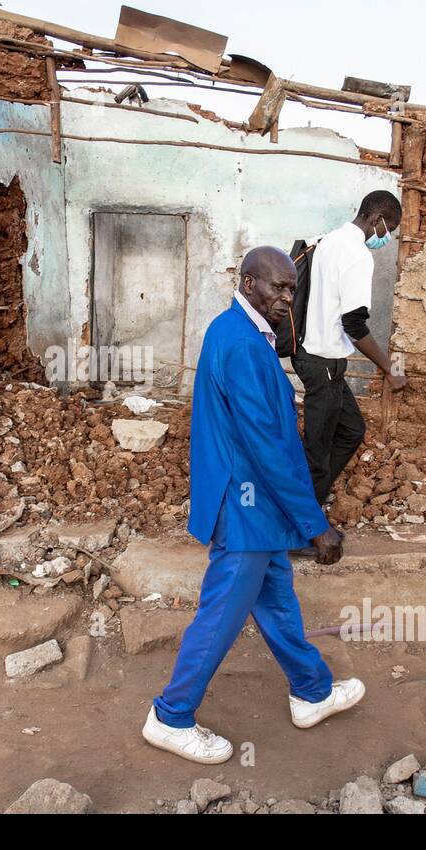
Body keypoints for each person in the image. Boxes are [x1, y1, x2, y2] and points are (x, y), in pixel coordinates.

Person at [142, 246, 364, 765]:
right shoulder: (242, 343)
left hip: (253, 505)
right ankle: (170, 716)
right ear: (248, 284)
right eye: (277, 288)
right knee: (221, 614)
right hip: (245, 508)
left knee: (278, 601)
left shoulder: (241, 333)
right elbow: (266, 444)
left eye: (292, 289)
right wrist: (314, 524)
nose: (288, 298)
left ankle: (312, 692)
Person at [293, 190, 408, 506]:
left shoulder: (328, 240)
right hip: (323, 361)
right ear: (376, 219)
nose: (387, 237)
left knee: (352, 429)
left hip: (315, 356)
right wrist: (391, 370)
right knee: (317, 450)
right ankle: (303, 527)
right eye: (390, 229)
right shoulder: (357, 254)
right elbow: (354, 325)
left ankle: (307, 501)